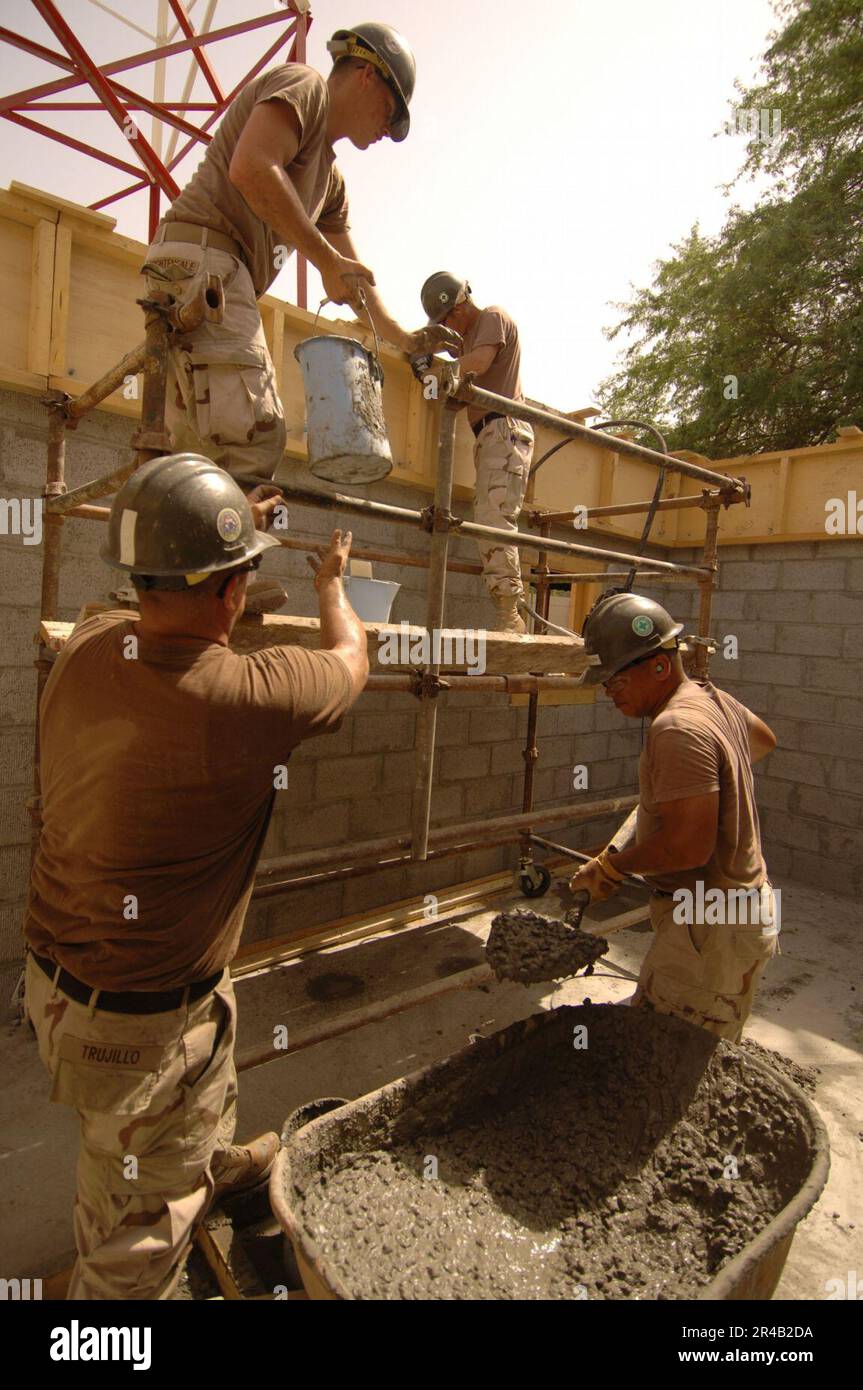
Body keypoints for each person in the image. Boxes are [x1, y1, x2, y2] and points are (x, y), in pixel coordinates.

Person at [23, 454, 368, 1299]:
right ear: (232, 592)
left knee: (187, 1086)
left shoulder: (90, 645)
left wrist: (221, 525)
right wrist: (330, 584)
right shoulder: (249, 698)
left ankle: (209, 1157)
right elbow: (350, 660)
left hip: (65, 988)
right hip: (140, 1027)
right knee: (133, 1250)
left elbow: (151, 600)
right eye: (242, 575)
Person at [140, 22, 459, 493]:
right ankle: (233, 560)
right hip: (206, 262)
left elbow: (354, 282)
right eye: (390, 112)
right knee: (253, 438)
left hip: (195, 271)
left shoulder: (330, 184)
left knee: (187, 465)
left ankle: (183, 562)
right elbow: (251, 167)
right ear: (366, 74)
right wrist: (326, 261)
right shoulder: (304, 86)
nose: (387, 132)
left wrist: (405, 340)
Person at [569, 590, 779, 1042]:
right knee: (690, 1056)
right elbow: (762, 740)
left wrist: (611, 866)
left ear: (660, 665)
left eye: (616, 680)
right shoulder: (711, 700)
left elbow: (687, 847)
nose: (609, 693)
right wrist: (708, 789)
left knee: (663, 1060)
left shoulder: (675, 727)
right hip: (736, 915)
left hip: (709, 932)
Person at [420, 272, 534, 634]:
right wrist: (424, 352)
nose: (449, 327)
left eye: (449, 318)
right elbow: (453, 356)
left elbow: (479, 363)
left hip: (504, 428)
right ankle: (510, 611)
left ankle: (510, 617)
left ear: (461, 303)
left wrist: (438, 369)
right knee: (490, 515)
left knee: (493, 518)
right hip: (491, 434)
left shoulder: (491, 318)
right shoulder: (466, 340)